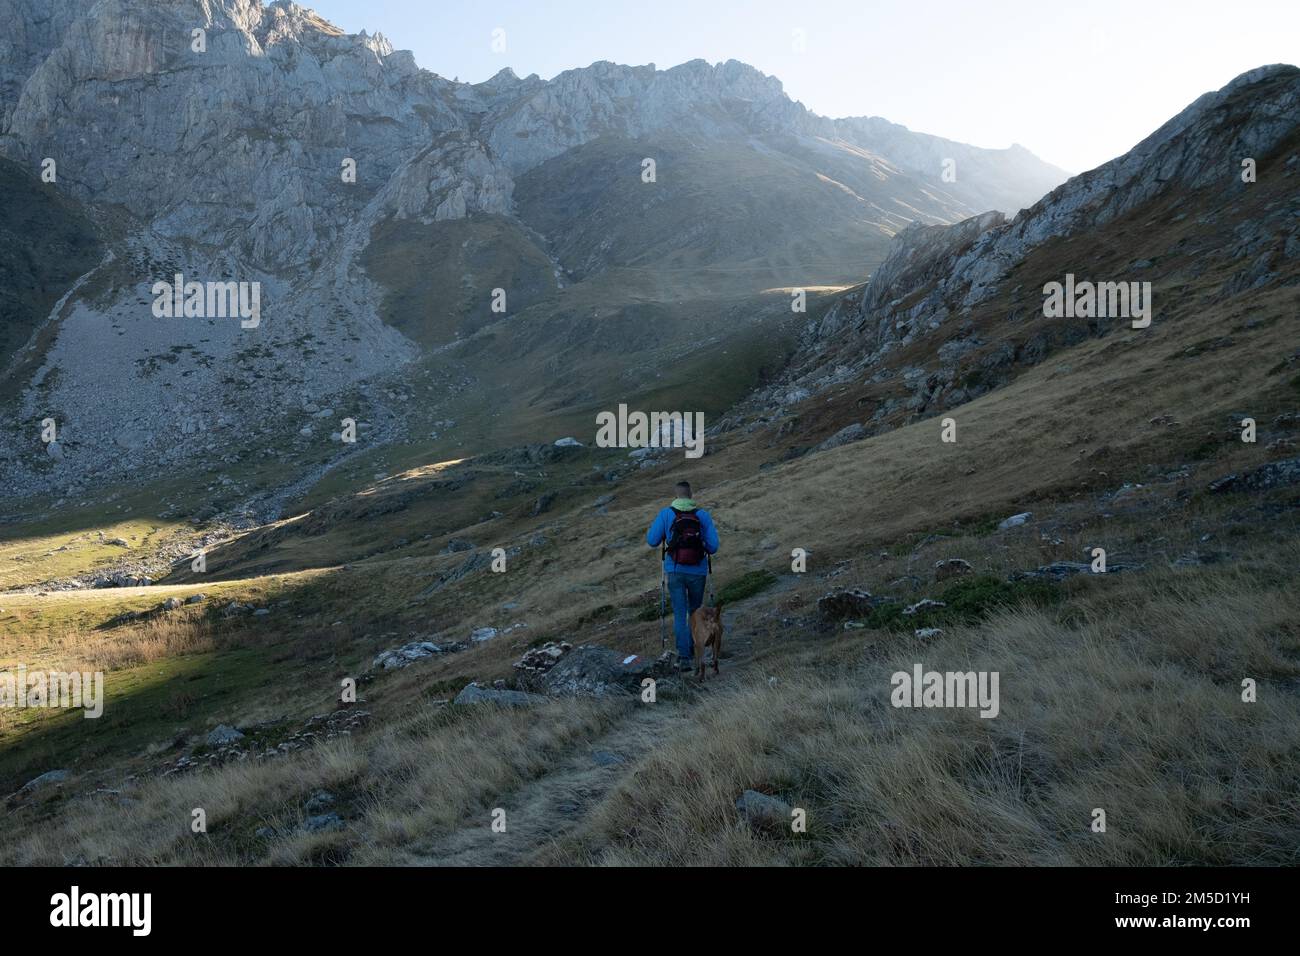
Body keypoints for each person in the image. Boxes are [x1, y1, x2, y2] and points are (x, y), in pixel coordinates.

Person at [646, 481, 720, 668]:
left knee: (680, 613)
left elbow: (652, 540)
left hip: (675, 570)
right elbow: (713, 546)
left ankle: (684, 657)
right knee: (695, 612)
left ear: (676, 495)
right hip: (698, 571)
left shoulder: (666, 514)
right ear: (691, 494)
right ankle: (698, 651)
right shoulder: (702, 515)